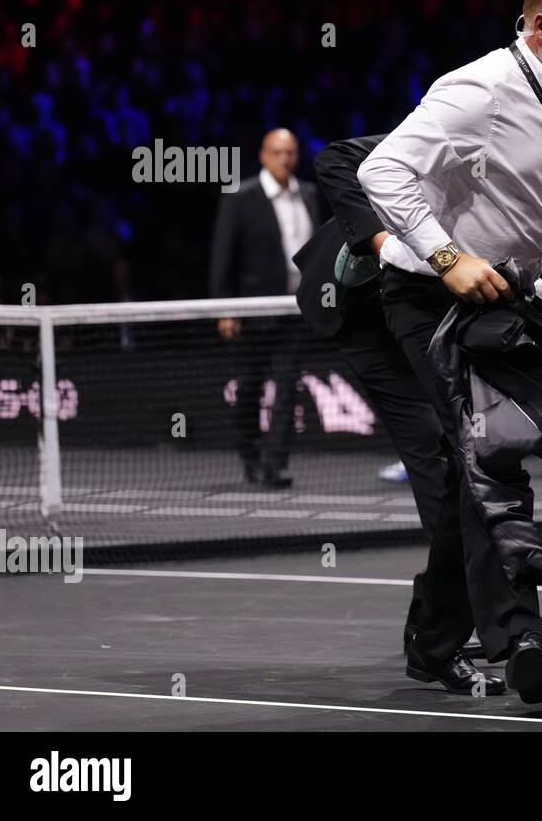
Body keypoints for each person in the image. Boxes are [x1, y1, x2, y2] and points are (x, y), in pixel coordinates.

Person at [358, 0, 542, 704]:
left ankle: (436, 642)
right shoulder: (476, 90)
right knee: (488, 455)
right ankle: (519, 637)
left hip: (508, 292)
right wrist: (447, 258)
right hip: (427, 295)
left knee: (467, 478)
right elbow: (383, 173)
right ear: (539, 26)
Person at [294, 135, 491, 674]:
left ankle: (434, 621)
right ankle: (438, 629)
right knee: (435, 450)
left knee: (465, 457)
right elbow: (334, 158)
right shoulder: (450, 128)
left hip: (423, 314)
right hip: (357, 313)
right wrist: (381, 241)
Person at [210, 128, 322, 488]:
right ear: (263, 155)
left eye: (290, 152)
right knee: (250, 389)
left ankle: (274, 465)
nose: (285, 159)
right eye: (278, 152)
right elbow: (223, 257)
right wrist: (226, 310)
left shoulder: (308, 194)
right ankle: (251, 457)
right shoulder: (241, 197)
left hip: (295, 310)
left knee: (288, 388)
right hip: (255, 312)